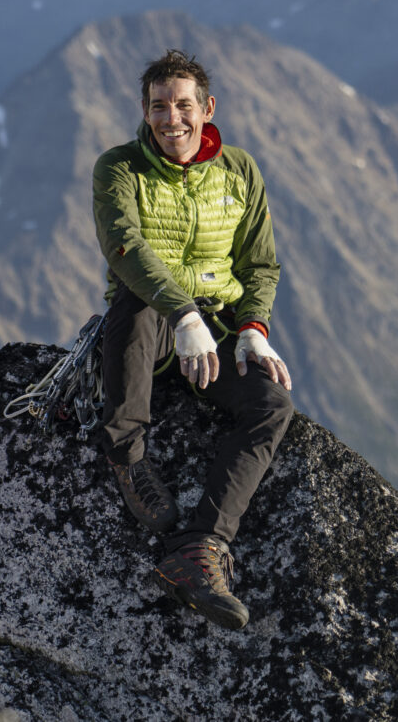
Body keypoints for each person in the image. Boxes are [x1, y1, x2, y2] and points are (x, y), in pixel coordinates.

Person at [92, 49, 295, 630]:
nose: (171, 119)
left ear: (207, 109)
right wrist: (181, 315)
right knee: (132, 304)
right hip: (155, 322)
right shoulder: (119, 167)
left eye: (183, 105)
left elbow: (259, 266)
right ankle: (128, 455)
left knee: (271, 407)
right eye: (159, 106)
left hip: (223, 324)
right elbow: (125, 248)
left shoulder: (240, 171)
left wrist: (253, 327)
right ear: (144, 109)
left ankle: (201, 549)